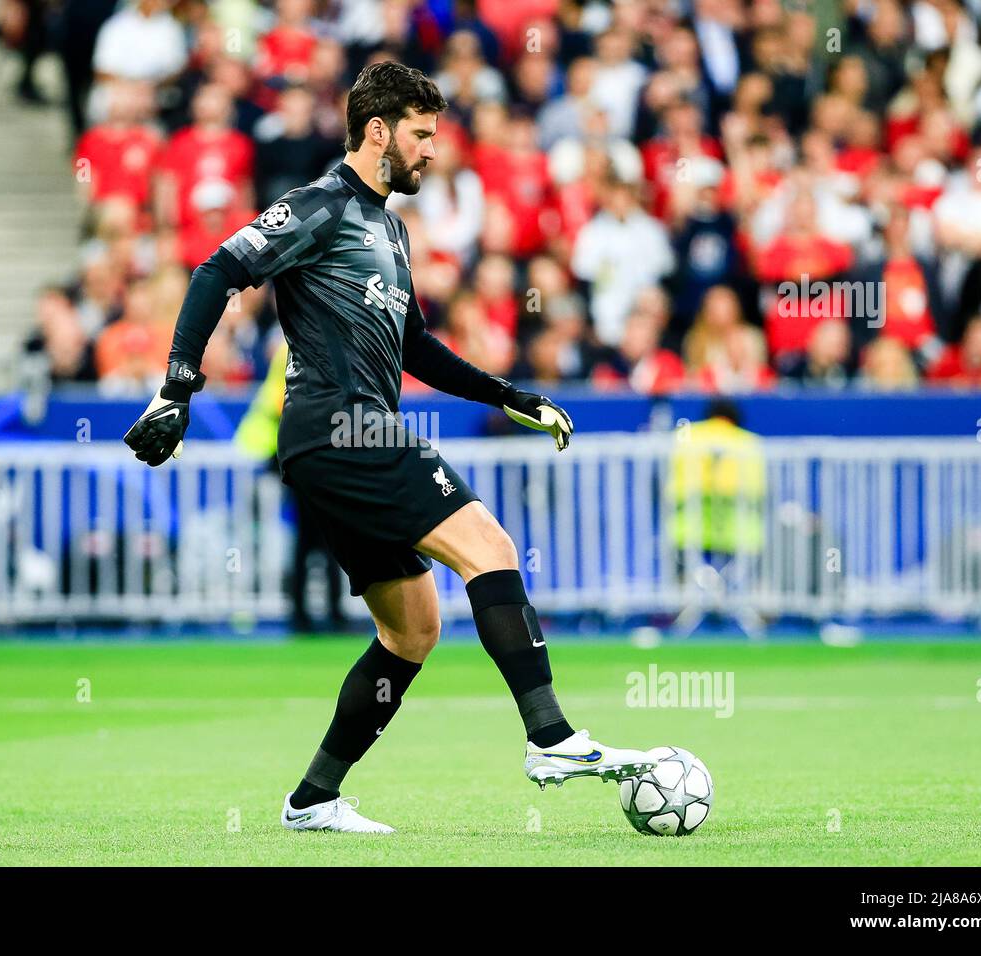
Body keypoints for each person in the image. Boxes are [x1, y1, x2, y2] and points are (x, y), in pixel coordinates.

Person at [123, 61, 656, 834]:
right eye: (421, 135)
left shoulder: (392, 229)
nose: (432, 151)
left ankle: (313, 798)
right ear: (378, 131)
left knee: (412, 630)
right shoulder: (320, 206)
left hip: (341, 438)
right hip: (340, 426)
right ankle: (552, 738)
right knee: (489, 543)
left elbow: (415, 346)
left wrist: (510, 395)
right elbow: (217, 270)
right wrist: (177, 386)